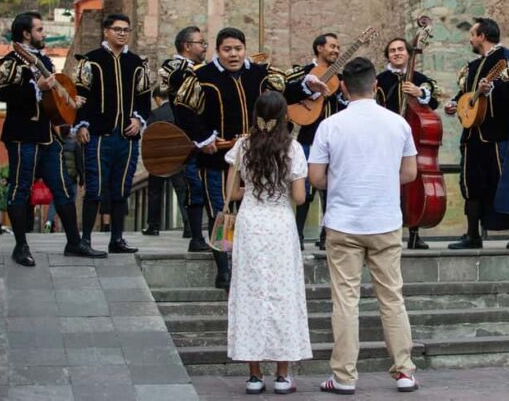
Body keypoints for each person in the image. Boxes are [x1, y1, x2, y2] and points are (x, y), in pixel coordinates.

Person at [174, 27, 323, 289]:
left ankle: (246, 265)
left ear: (245, 49)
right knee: (221, 211)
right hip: (219, 158)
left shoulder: (262, 73)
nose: (233, 54)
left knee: (249, 212)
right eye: (227, 49)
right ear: (217, 51)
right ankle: (223, 268)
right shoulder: (201, 77)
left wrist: (306, 86)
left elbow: (285, 92)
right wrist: (204, 137)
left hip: (260, 156)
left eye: (238, 49)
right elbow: (183, 109)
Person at [308, 57, 420, 395]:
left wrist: (344, 181)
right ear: (375, 85)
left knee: (345, 300)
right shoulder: (398, 123)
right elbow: (410, 173)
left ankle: (344, 376)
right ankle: (404, 371)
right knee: (392, 297)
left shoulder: (330, 125)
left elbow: (316, 177)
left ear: (342, 87)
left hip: (344, 221)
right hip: (385, 220)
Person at [0, 11, 106, 266]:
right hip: (22, 137)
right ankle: (20, 247)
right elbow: (1, 92)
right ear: (26, 34)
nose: (44, 34)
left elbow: (53, 104)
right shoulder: (12, 62)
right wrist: (36, 88)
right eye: (40, 30)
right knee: (20, 189)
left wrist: (69, 100)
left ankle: (74, 243)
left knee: (64, 187)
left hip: (47, 137)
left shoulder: (44, 63)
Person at [225, 91, 312, 395]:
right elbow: (300, 197)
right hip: (279, 224)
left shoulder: (242, 147)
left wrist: (254, 191)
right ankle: (283, 375)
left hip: (250, 222)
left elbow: (233, 194)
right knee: (282, 292)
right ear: (284, 117)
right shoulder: (293, 149)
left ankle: (253, 375)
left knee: (249, 292)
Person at [444, 17, 509, 250]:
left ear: (482, 36)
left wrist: (489, 90)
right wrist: (454, 104)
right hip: (473, 137)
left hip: (499, 137)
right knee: (471, 185)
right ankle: (473, 234)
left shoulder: (507, 61)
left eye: (472, 34)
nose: (470, 39)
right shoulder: (471, 67)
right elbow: (465, 94)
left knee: (505, 183)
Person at [74, 13, 151, 253]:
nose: (122, 33)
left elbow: (144, 98)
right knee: (95, 188)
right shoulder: (90, 61)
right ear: (106, 31)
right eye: (117, 29)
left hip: (126, 137)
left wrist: (138, 120)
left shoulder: (137, 63)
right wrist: (82, 124)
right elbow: (79, 95)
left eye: (126, 30)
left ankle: (116, 239)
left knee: (121, 189)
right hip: (98, 135)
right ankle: (85, 240)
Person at [376, 37, 440, 250]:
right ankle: (386, 231)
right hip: (384, 141)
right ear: (388, 56)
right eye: (392, 50)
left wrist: (420, 93)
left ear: (408, 53)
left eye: (401, 49)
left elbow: (435, 99)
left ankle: (414, 231)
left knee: (412, 183)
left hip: (412, 143)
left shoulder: (420, 79)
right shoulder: (380, 80)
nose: (397, 53)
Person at [284, 33, 345, 251]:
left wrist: (343, 95)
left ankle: (327, 236)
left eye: (338, 47)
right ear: (319, 48)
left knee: (332, 189)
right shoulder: (301, 72)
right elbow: (287, 94)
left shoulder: (341, 77)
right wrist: (309, 89)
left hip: (336, 141)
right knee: (305, 188)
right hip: (308, 137)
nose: (336, 50)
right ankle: (297, 235)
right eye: (332, 46)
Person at [158, 26, 210, 242]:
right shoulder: (173, 67)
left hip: (207, 134)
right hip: (188, 137)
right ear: (187, 46)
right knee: (193, 187)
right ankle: (195, 236)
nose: (204, 47)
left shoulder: (202, 68)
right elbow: (177, 84)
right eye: (201, 43)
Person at [141, 85, 191, 238]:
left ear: (157, 98)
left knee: (155, 192)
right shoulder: (179, 111)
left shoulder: (154, 114)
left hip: (158, 160)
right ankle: (188, 227)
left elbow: (150, 137)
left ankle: (153, 226)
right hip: (178, 159)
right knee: (182, 192)